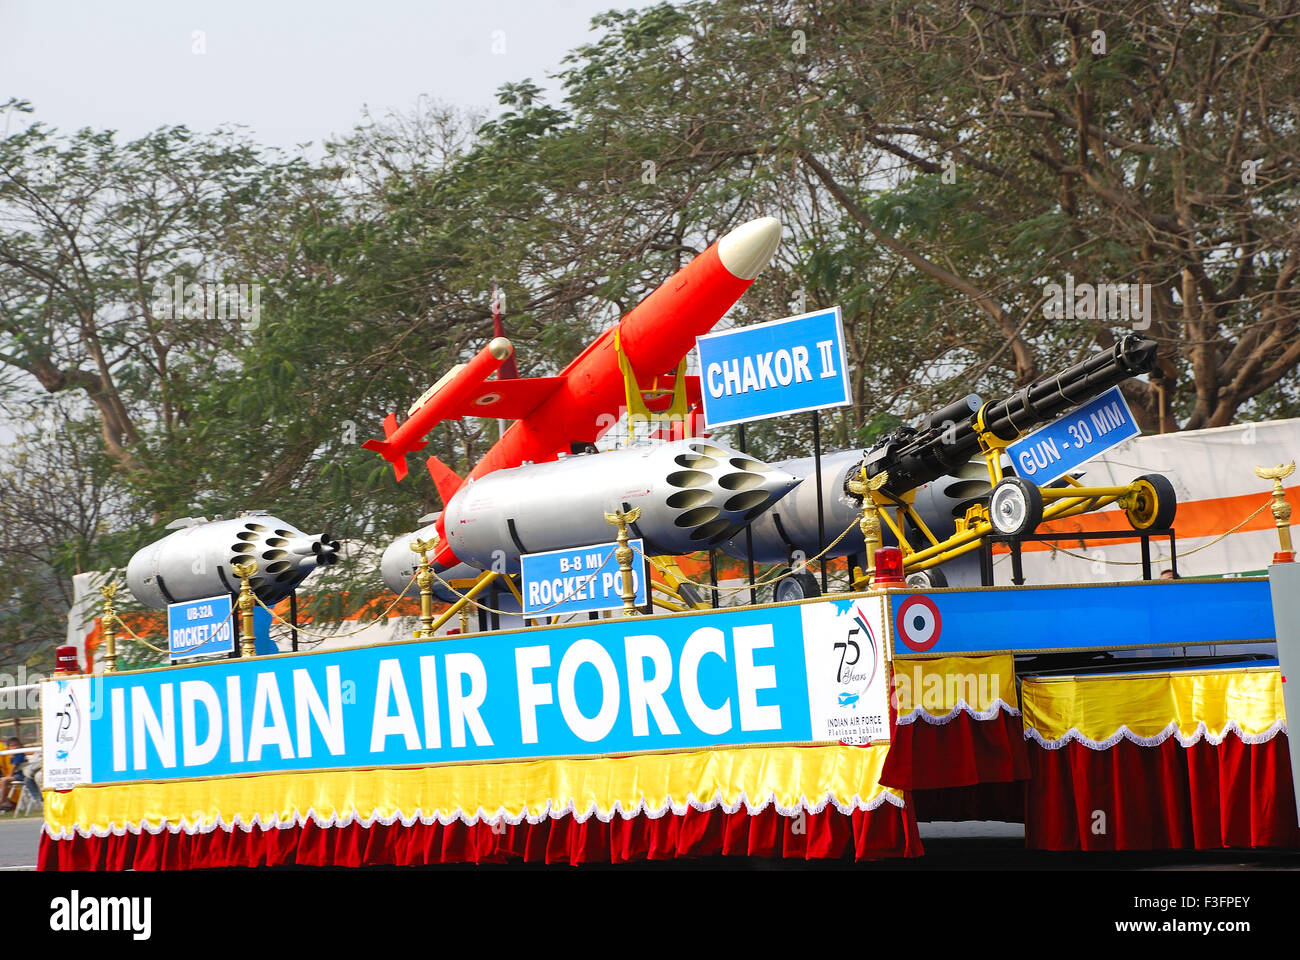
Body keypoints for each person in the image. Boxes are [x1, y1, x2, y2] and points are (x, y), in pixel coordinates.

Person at [0, 738, 26, 812]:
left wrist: (10, 775)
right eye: (12, 746)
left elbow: (15, 766)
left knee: (5, 780)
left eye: (16, 745)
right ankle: (6, 801)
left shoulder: (19, 754)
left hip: (21, 775)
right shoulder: (12, 756)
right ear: (8, 748)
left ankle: (2, 801)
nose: (15, 747)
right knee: (3, 781)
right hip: (16, 775)